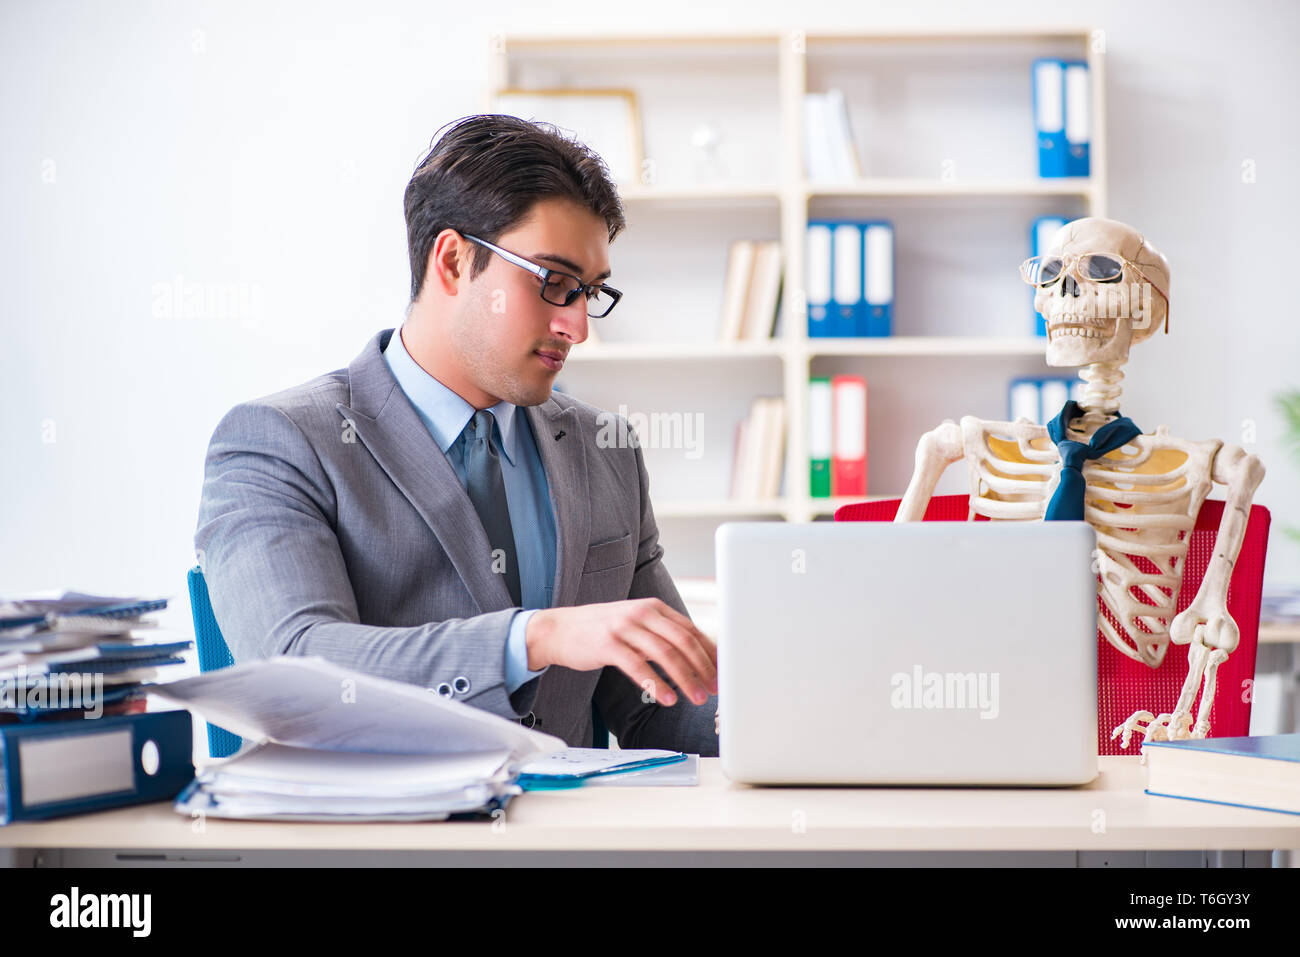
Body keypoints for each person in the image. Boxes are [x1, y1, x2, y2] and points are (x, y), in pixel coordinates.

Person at [195, 114, 719, 753]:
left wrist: (793, 703)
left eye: (589, 293)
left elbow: (657, 709)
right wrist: (536, 637)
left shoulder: (604, 451)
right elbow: (297, 668)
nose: (578, 327)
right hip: (381, 844)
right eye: (553, 283)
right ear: (451, 260)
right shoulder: (280, 442)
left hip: (576, 845)